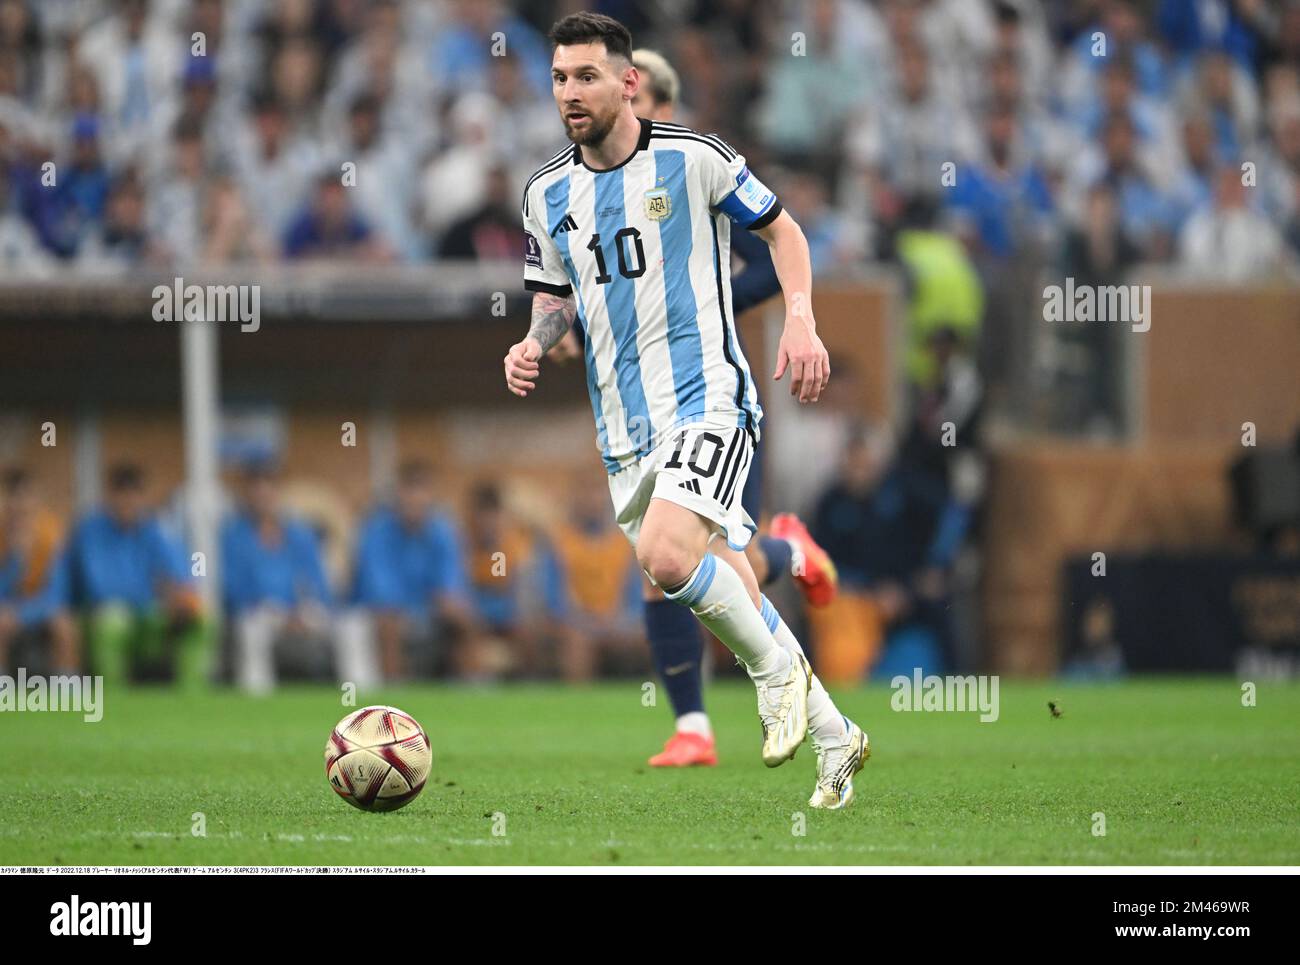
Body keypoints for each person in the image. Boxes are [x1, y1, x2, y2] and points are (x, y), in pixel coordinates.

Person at [504, 13, 867, 808]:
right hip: (624, 431)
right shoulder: (545, 193)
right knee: (728, 581)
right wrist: (533, 342)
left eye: (587, 76)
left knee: (667, 559)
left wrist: (801, 318)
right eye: (561, 78)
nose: (571, 92)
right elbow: (554, 299)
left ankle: (769, 684)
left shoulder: (694, 159)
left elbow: (785, 233)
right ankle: (837, 735)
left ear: (628, 82)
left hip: (708, 398)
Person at [61, 463, 212, 689]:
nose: (128, 503)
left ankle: (193, 696)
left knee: (201, 615)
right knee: (113, 619)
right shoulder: (91, 531)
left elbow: (184, 572)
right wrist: (157, 595)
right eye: (122, 495)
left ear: (142, 497)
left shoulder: (155, 528)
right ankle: (113, 700)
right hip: (100, 616)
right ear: (110, 496)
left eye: (134, 495)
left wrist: (182, 594)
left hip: (149, 614)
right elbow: (100, 589)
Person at [220, 462, 333, 694]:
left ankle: (360, 700)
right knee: (251, 629)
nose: (262, 497)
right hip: (261, 612)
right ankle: (259, 697)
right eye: (256, 492)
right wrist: (276, 611)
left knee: (352, 627)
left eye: (268, 490)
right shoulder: (234, 536)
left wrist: (303, 609)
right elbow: (233, 589)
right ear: (247, 496)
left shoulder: (299, 533)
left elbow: (318, 583)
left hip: (302, 611)